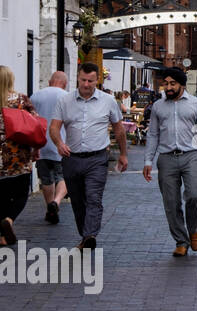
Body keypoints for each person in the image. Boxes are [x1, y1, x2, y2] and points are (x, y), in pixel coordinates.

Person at [48, 63, 129, 251]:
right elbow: (54, 127)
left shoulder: (108, 101)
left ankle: (90, 234)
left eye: (90, 81)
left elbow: (119, 129)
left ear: (97, 80)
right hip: (72, 158)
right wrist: (60, 143)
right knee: (77, 200)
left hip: (97, 158)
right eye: (83, 80)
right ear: (78, 78)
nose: (86, 84)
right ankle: (85, 236)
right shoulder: (65, 101)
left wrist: (123, 154)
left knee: (94, 197)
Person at [142, 67, 197, 257]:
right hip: (166, 158)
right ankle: (181, 241)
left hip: (190, 155)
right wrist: (148, 161)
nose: (168, 87)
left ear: (182, 84)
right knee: (171, 202)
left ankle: (193, 230)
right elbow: (153, 134)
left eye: (172, 83)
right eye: (165, 84)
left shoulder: (196, 104)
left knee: (194, 196)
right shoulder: (158, 106)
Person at [0, 65, 39, 247]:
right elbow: (34, 125)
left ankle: (2, 236)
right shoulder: (20, 100)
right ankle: (9, 220)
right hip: (18, 157)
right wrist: (36, 148)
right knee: (21, 194)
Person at [29, 70, 69, 224]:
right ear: (64, 84)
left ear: (50, 81)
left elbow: (30, 121)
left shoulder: (35, 96)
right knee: (63, 177)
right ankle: (57, 202)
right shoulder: (66, 97)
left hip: (41, 145)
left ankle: (49, 209)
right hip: (61, 143)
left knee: (46, 179)